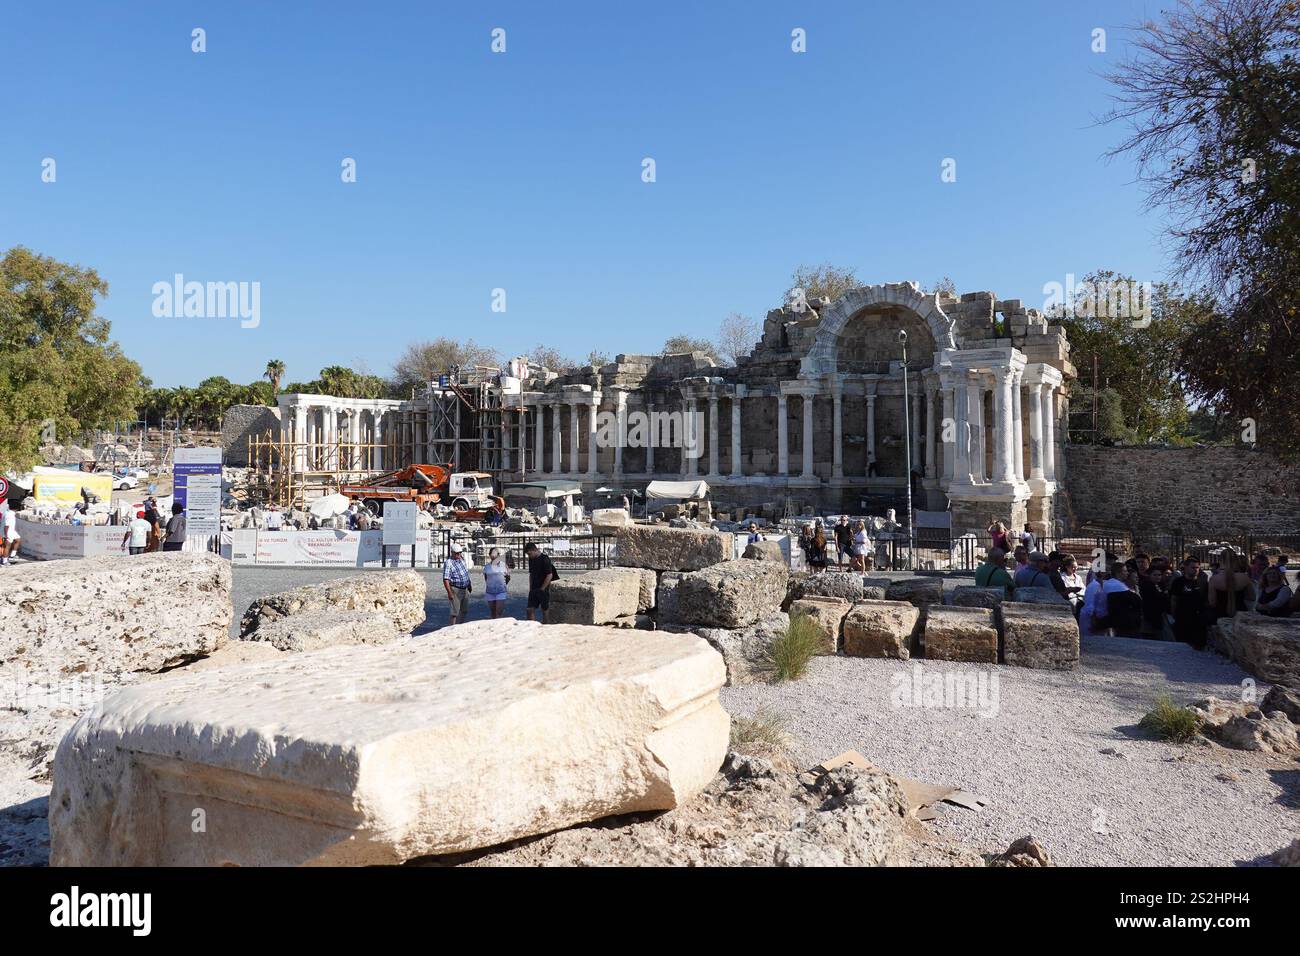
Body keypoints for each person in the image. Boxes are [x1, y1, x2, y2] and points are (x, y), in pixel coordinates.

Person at [1168, 557, 1208, 648]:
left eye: (1197, 568)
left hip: (1198, 618)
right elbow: (1174, 599)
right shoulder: (1178, 582)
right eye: (1193, 567)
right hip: (1183, 617)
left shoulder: (1202, 582)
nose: (1195, 570)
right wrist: (1174, 613)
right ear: (1186, 568)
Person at [1207, 552, 1254, 624]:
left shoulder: (1214, 579)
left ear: (1221, 561)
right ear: (1236, 560)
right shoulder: (1244, 577)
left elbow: (1212, 602)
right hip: (1241, 615)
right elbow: (1252, 597)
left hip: (1220, 616)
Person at [1106, 565, 1144, 637]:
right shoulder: (1116, 586)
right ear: (1118, 573)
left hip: (1128, 621)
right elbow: (1136, 600)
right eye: (1125, 571)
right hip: (1123, 622)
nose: (1127, 573)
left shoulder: (1118, 585)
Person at [524, 542, 558, 623]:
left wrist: (542, 588)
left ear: (534, 550)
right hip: (534, 587)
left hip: (544, 588)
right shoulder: (531, 559)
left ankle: (546, 627)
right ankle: (531, 627)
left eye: (529, 553)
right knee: (529, 609)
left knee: (545, 610)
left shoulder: (544, 559)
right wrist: (530, 588)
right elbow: (531, 574)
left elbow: (549, 575)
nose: (529, 556)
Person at [442, 542, 471, 626]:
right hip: (455, 588)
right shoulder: (449, 563)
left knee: (464, 610)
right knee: (454, 612)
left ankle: (461, 625)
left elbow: (465, 572)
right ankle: (452, 627)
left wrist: (469, 584)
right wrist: (449, 593)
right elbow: (446, 579)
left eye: (460, 553)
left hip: (465, 588)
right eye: (457, 553)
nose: (459, 555)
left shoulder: (462, 559)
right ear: (452, 553)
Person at [1139, 566, 1171, 636]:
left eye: (1159, 575)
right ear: (1149, 575)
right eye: (1155, 575)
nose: (1157, 577)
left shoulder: (1161, 585)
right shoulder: (1146, 585)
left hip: (1160, 616)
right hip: (1149, 618)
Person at [482, 547, 510, 618]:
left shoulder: (504, 565)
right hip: (490, 591)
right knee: (493, 611)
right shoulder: (487, 567)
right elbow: (486, 578)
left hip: (501, 591)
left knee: (498, 612)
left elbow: (508, 578)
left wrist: (502, 584)